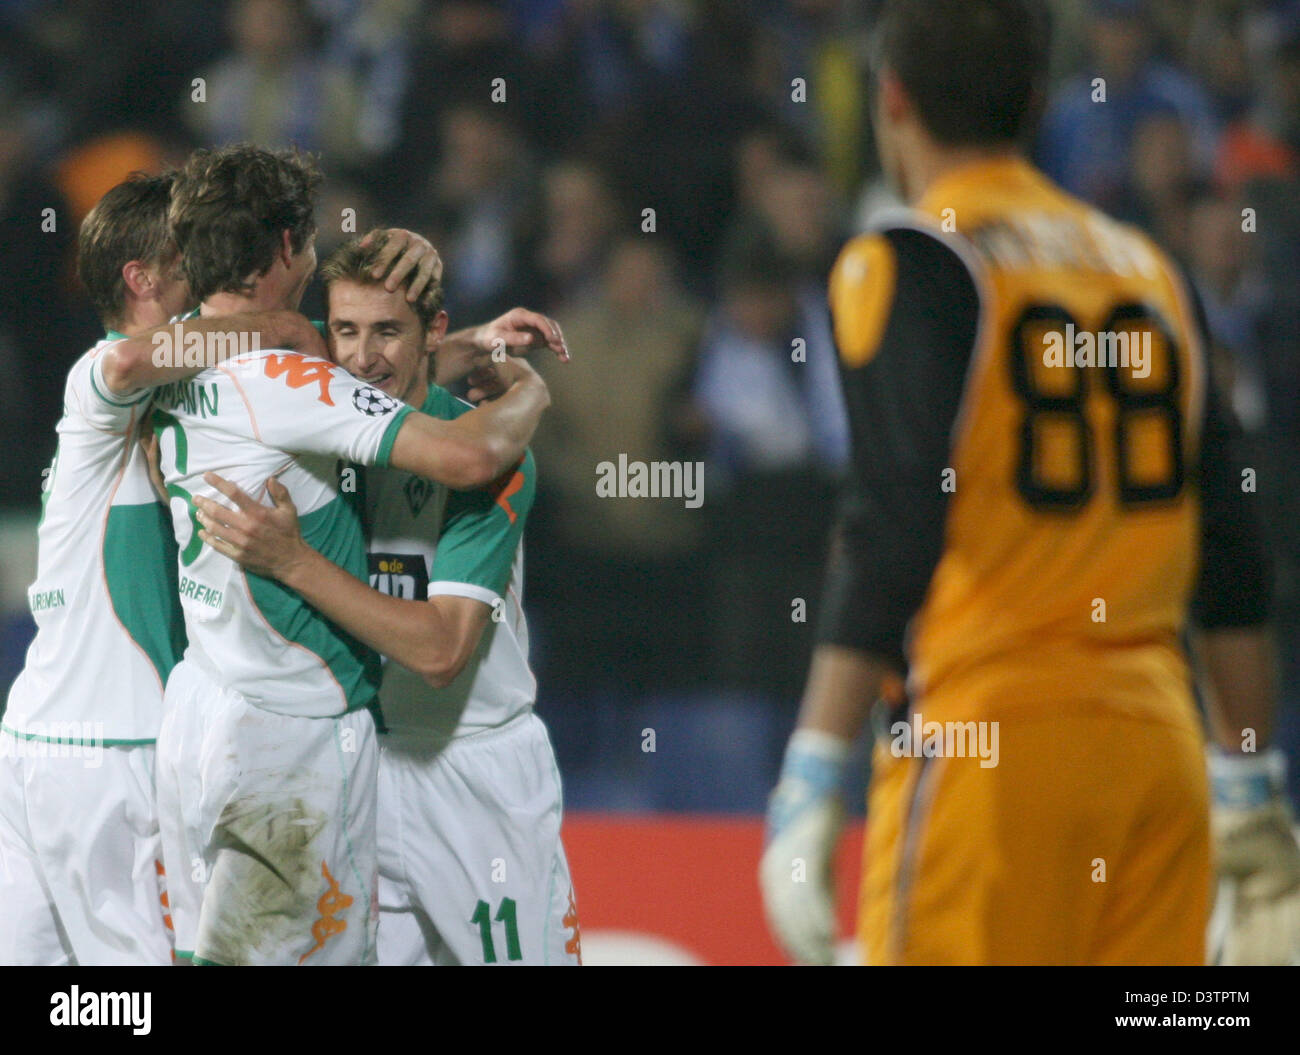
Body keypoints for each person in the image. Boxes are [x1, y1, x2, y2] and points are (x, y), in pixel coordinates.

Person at [760, 0, 1299, 966]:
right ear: (1037, 104)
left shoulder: (915, 257)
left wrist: (813, 763)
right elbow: (1233, 544)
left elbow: (891, 520)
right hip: (1157, 749)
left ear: (893, 102)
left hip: (988, 747)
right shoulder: (1150, 271)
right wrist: (1251, 774)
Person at [153, 145, 551, 966]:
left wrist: (509, 371)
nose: (361, 353)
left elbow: (442, 647)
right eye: (344, 330)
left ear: (431, 331)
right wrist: (522, 383)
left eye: (387, 332)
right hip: (341, 749)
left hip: (470, 769)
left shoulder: (181, 351)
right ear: (289, 253)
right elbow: (359, 390)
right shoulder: (312, 399)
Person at [0, 172, 325, 964]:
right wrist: (274, 321)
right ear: (142, 280)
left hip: (37, 742)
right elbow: (130, 365)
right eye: (189, 268)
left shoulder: (176, 396)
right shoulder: (104, 372)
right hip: (114, 748)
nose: (209, 283)